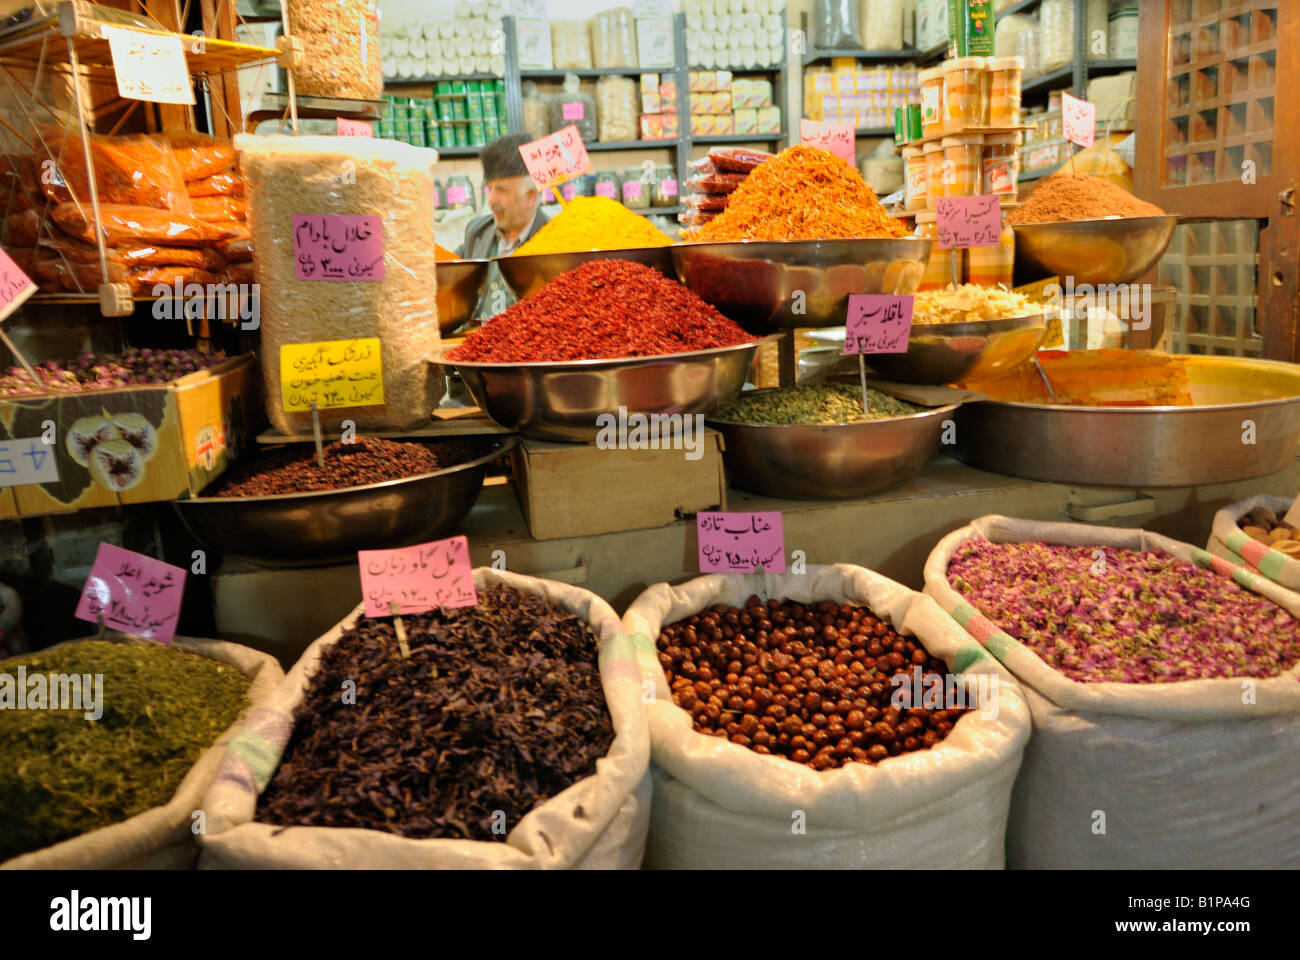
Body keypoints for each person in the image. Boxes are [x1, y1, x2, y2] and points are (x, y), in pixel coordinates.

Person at [456, 133, 551, 326]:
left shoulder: (554, 242)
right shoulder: (477, 232)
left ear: (531, 196)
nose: (491, 201)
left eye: (501, 190)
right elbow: (450, 269)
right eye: (489, 189)